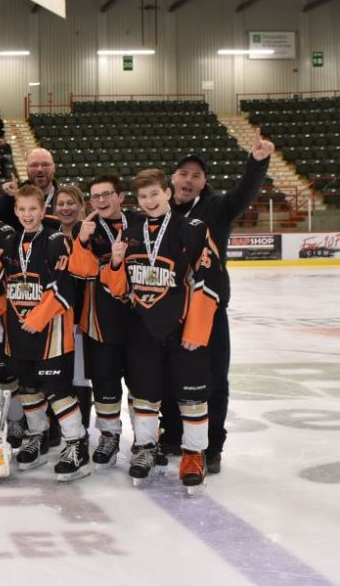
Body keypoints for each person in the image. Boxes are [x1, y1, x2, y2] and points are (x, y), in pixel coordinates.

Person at [101, 169, 223, 492]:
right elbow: (117, 289)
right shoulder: (131, 233)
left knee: (192, 396)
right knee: (144, 393)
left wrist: (196, 330)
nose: (149, 201)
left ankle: (194, 453)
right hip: (143, 327)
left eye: (154, 194)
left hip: (184, 329)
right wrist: (114, 264)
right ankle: (144, 447)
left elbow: (211, 281)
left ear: (168, 193)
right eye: (143, 197)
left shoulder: (192, 229)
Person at [159, 132, 274, 475]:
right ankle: (174, 433)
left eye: (196, 175)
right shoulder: (160, 211)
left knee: (213, 379)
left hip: (208, 309)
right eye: (183, 173)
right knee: (169, 375)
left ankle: (211, 445)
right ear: (173, 178)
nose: (189, 180)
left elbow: (244, 194)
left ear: (204, 181)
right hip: (169, 309)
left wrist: (257, 162)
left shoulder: (217, 208)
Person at [0, 185, 86, 482]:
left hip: (50, 333)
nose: (27, 214)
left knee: (57, 391)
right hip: (17, 331)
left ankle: (77, 444)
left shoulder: (55, 241)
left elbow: (64, 288)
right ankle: (37, 437)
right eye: (22, 209)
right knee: (28, 388)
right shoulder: (10, 241)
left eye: (33, 209)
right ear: (15, 212)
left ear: (43, 210)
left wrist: (39, 318)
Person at [68, 175, 143, 468]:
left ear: (120, 196)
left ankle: (144, 438)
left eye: (107, 194)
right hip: (98, 319)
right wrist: (83, 239)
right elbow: (81, 271)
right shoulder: (84, 229)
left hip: (137, 318)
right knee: (105, 383)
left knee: (141, 382)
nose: (101, 201)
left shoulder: (137, 225)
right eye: (95, 196)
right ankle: (110, 435)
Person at [53, 185, 93, 435]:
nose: (65, 208)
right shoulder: (49, 235)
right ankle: (59, 427)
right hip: (54, 318)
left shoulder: (90, 235)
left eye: (70, 203)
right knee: (56, 375)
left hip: (81, 317)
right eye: (61, 203)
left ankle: (82, 429)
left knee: (79, 375)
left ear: (81, 205)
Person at [0, 144, 59, 231]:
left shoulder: (65, 201)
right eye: (34, 165)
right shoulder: (12, 198)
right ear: (26, 169)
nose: (39, 169)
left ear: (54, 167)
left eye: (45, 164)